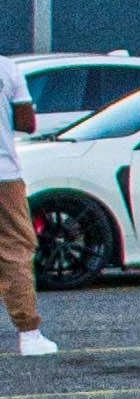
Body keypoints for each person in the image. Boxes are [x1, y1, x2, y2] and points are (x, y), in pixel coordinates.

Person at [0, 55, 54, 357]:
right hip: (4, 175)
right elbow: (26, 124)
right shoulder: (7, 68)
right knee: (14, 251)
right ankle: (29, 334)